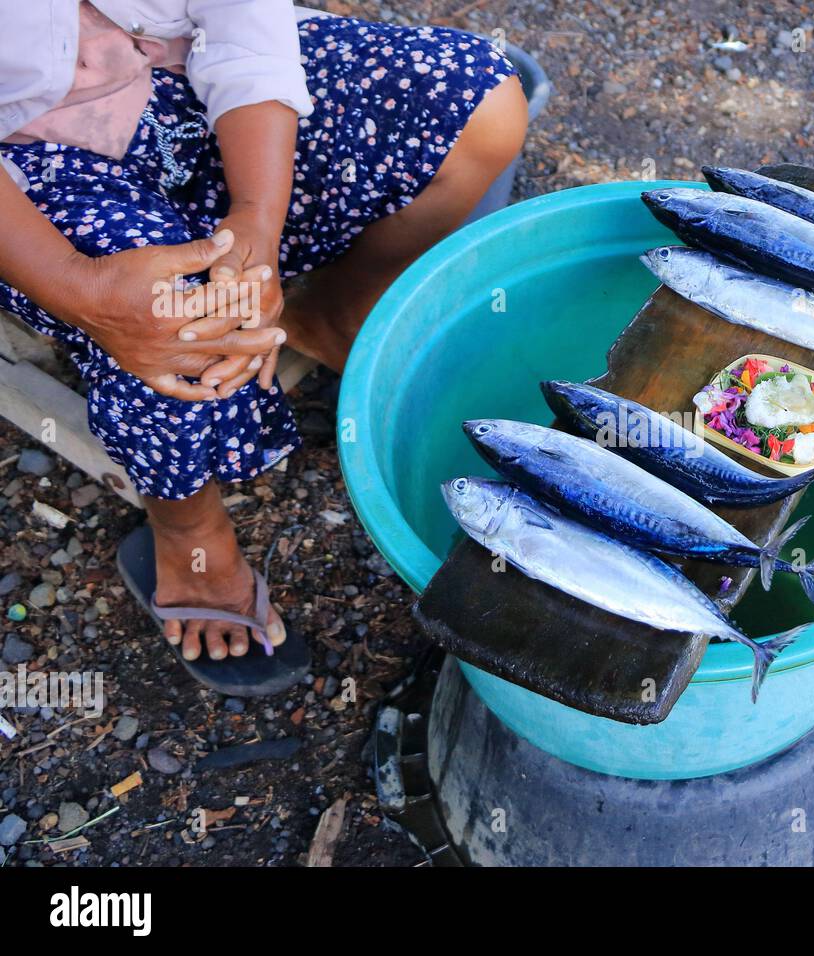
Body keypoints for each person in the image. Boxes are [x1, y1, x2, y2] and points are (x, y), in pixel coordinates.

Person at [0, 2, 528, 692]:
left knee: (480, 100)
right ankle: (187, 528)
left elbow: (243, 25)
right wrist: (75, 286)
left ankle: (327, 315)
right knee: (179, 322)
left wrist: (257, 220)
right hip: (23, 162)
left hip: (177, 62)